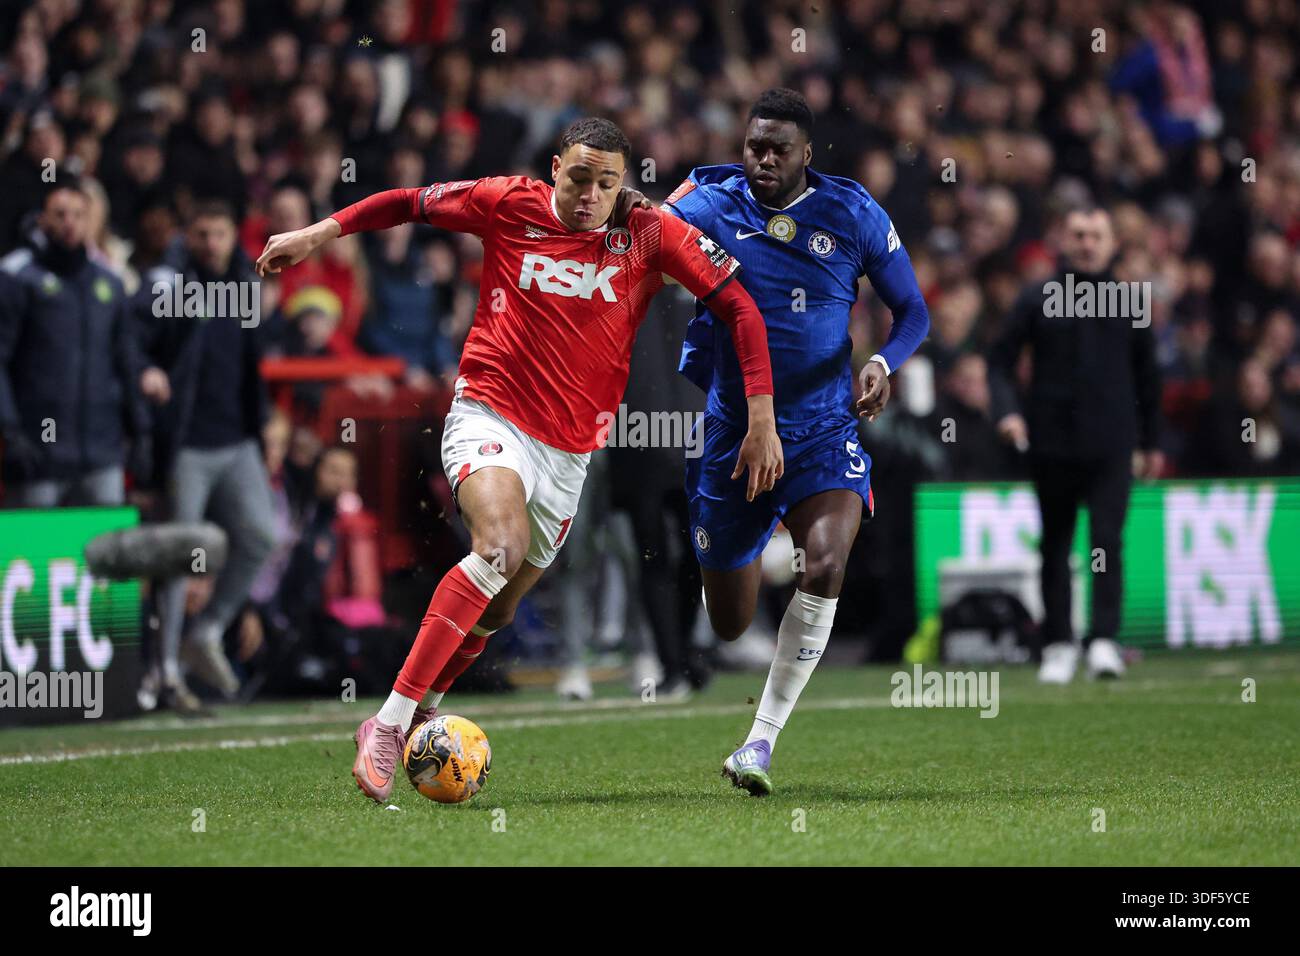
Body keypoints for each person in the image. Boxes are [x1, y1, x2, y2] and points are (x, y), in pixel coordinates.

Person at [255, 117, 783, 804]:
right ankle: (386, 725)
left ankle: (424, 710)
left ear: (623, 185)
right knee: (497, 546)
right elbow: (408, 201)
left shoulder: (649, 234)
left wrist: (763, 416)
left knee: (497, 612)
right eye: (579, 177)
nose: (590, 194)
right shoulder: (509, 201)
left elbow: (741, 307)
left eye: (606, 183)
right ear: (556, 166)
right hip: (490, 412)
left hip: (570, 453)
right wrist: (315, 234)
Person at [657, 89, 931, 795]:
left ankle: (759, 744)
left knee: (829, 561)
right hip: (732, 435)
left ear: (808, 153)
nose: (765, 160)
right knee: (728, 622)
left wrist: (882, 362)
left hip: (823, 428)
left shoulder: (853, 212)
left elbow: (913, 311)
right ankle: (764, 551)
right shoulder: (710, 202)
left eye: (780, 149)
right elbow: (642, 237)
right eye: (755, 147)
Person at [988, 205, 1163, 684]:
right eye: (1079, 234)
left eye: (1096, 235)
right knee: (1056, 546)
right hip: (1053, 445)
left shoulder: (1130, 302)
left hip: (1112, 446)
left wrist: (1152, 442)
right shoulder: (1037, 298)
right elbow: (998, 362)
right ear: (1064, 240)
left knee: (1107, 542)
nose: (1087, 243)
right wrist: (1007, 412)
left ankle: (1104, 640)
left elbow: (1149, 380)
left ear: (1112, 243)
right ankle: (1060, 644)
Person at [136, 200, 277, 702]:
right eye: (201, 234)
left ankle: (207, 630)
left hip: (236, 440)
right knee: (179, 559)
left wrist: (263, 427)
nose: (211, 243)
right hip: (186, 445)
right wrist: (146, 374)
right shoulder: (167, 286)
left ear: (232, 234)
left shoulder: (245, 283)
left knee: (263, 534)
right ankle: (166, 670)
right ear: (187, 238)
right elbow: (135, 343)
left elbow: (251, 364)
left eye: (219, 233)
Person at [0, 179, 149, 507]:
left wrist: (141, 431)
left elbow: (126, 359)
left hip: (101, 455)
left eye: (79, 214)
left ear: (90, 221)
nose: (70, 222)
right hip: (40, 454)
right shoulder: (19, 279)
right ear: (43, 220)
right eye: (60, 214)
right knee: (35, 552)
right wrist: (10, 433)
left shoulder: (108, 283)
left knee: (104, 554)